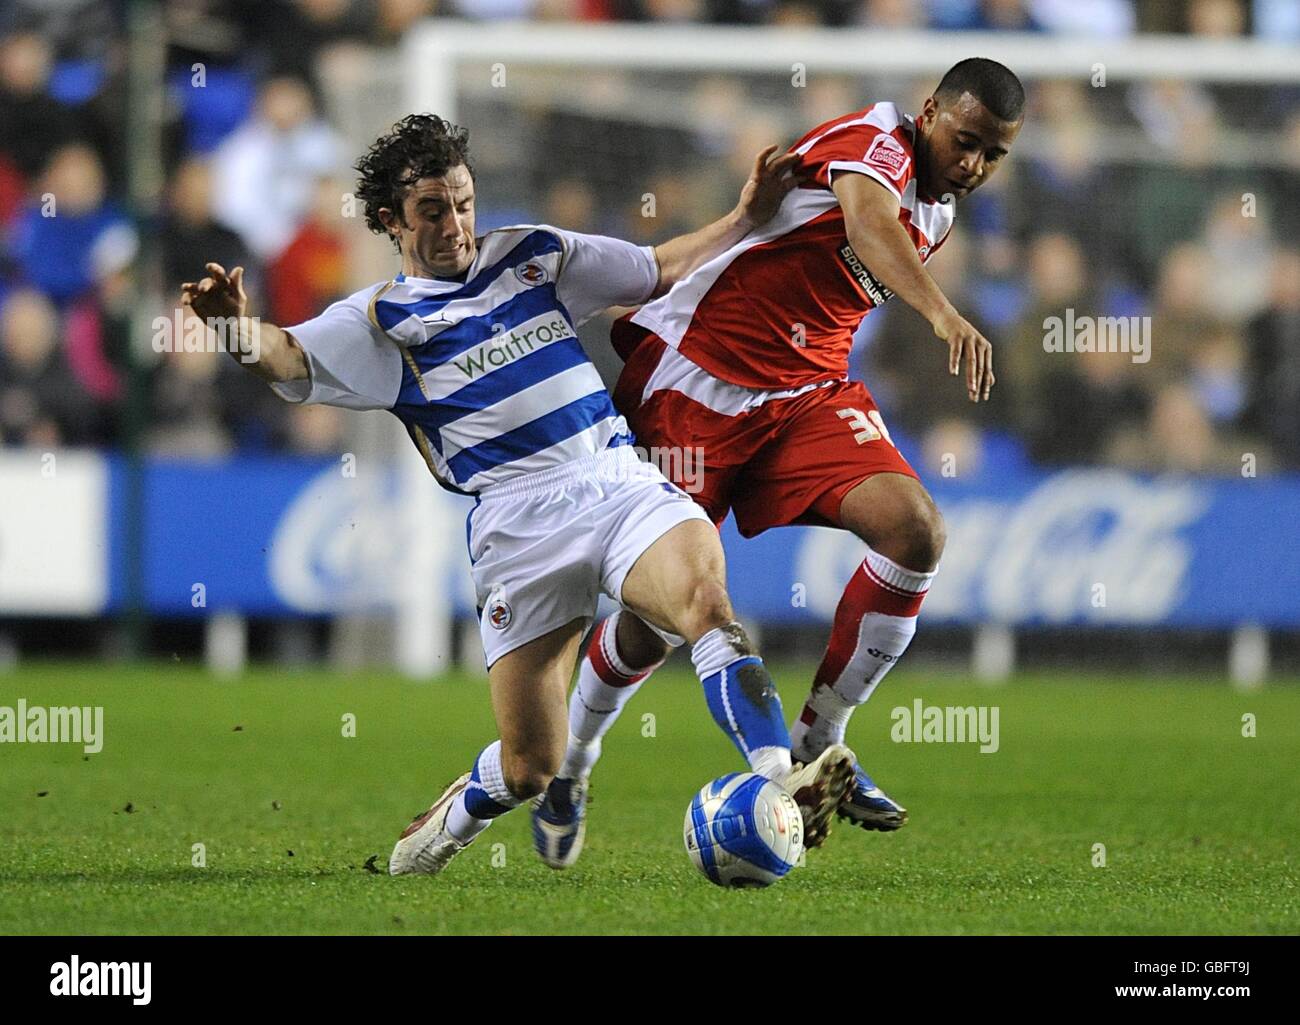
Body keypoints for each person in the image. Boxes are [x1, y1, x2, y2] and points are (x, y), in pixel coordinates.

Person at [181, 114, 855, 878]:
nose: (456, 224)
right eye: (432, 210)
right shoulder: (380, 321)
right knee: (532, 763)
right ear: (388, 221)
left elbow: (655, 268)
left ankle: (778, 778)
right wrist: (234, 327)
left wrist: (743, 219)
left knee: (704, 599)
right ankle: (451, 818)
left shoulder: (532, 253)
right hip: (516, 524)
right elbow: (284, 357)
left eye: (463, 202)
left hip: (615, 479)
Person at [536, 58, 1024, 863]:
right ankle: (571, 767)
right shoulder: (876, 140)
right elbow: (868, 223)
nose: (973, 165)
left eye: (993, 155)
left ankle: (817, 741)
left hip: (803, 396)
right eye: (966, 141)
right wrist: (941, 315)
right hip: (694, 385)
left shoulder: (940, 208)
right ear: (929, 110)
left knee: (916, 533)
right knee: (657, 622)